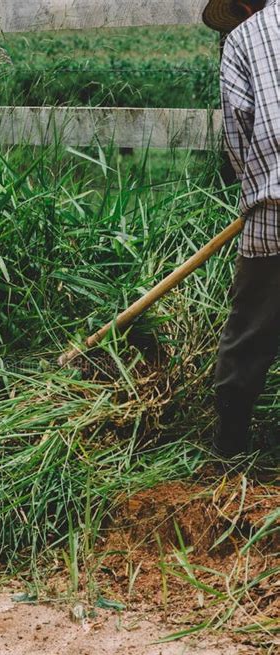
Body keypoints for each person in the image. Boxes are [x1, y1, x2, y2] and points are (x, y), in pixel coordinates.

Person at [203, 0, 279, 458]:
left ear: (246, 5)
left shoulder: (243, 39)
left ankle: (228, 449)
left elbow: (238, 132)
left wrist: (257, 187)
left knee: (249, 332)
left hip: (274, 213)